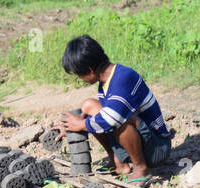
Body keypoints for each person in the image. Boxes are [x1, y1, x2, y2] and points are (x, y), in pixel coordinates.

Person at [57, 34, 173, 180]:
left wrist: (81, 124)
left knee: (119, 121)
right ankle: (117, 161)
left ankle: (141, 168)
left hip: (158, 148)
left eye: (79, 75)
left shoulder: (124, 78)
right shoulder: (106, 80)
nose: (80, 79)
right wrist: (71, 125)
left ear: (90, 69)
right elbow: (100, 116)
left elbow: (112, 119)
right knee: (89, 106)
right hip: (143, 139)